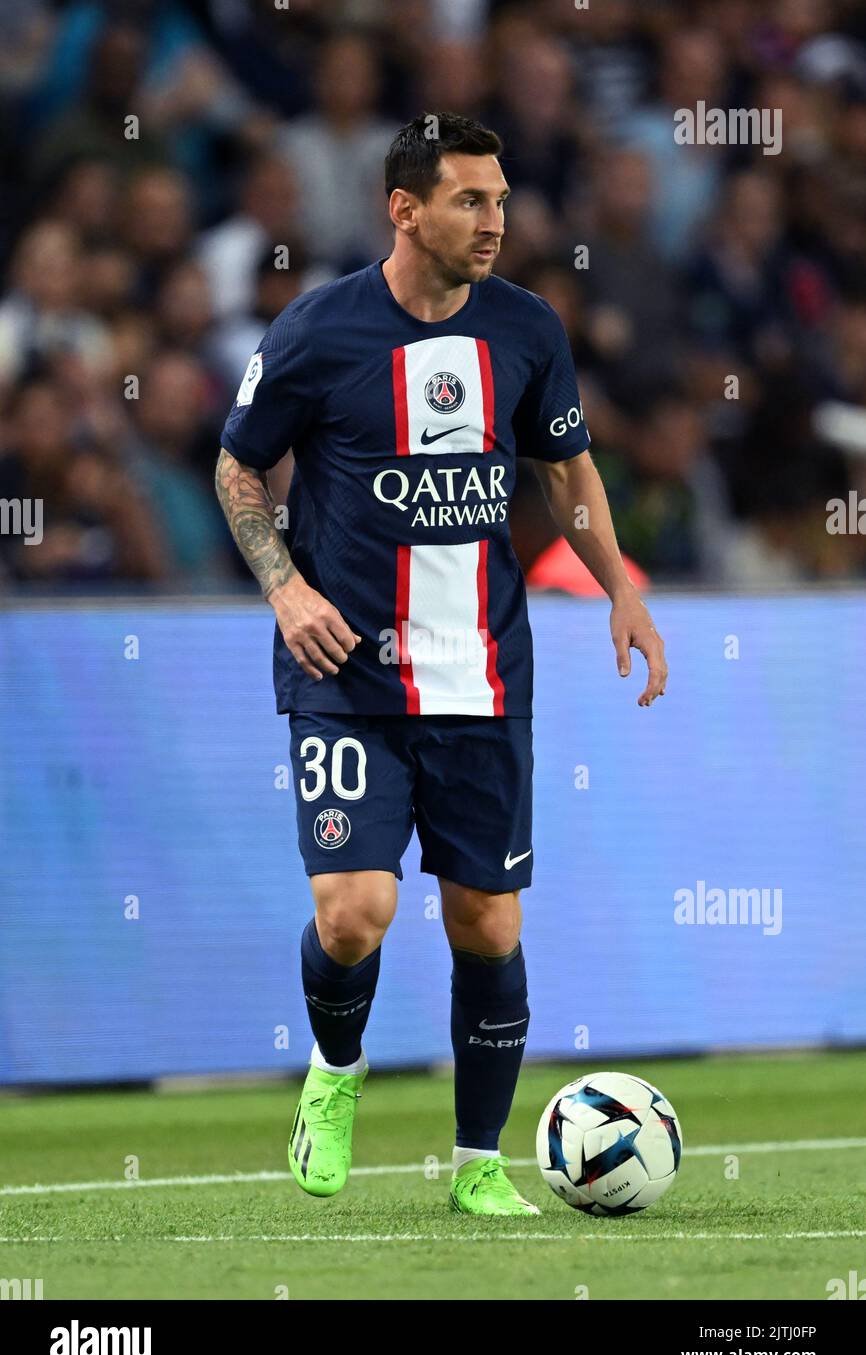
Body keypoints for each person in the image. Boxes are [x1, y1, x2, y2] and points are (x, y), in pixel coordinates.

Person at [215, 112, 667, 1217]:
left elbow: (566, 473)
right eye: (469, 200)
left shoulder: (524, 330)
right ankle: (332, 1074)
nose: (493, 220)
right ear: (402, 209)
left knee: (487, 925)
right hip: (345, 675)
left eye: (501, 198)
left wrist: (620, 590)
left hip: (480, 678)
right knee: (352, 912)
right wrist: (285, 588)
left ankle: (477, 1165)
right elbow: (237, 468)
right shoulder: (318, 332)